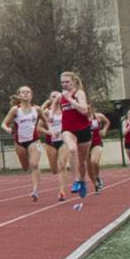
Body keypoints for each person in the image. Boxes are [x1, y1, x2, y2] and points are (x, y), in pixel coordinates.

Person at [50, 70, 97, 205]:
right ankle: (76, 180)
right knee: (72, 149)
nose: (64, 84)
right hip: (68, 129)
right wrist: (51, 115)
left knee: (82, 162)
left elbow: (84, 110)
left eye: (67, 82)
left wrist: (70, 99)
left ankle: (82, 181)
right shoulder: (60, 96)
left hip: (83, 129)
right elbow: (54, 104)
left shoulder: (79, 93)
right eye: (62, 82)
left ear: (73, 82)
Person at [3, 86, 45, 200]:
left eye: (28, 92)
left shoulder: (37, 109)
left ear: (31, 95)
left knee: (34, 164)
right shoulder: (15, 110)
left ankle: (35, 190)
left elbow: (45, 121)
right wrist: (8, 129)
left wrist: (50, 130)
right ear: (19, 96)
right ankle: (34, 184)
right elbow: (4, 124)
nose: (25, 94)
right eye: (23, 92)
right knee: (25, 167)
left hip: (34, 140)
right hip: (20, 142)